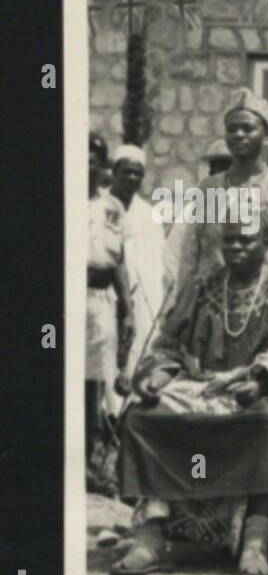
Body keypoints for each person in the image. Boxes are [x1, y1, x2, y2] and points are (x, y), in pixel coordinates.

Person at [113, 218, 268, 575]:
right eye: (229, 241)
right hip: (199, 387)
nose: (235, 248)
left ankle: (256, 539)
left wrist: (262, 382)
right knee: (142, 417)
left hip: (253, 391)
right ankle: (151, 535)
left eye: (245, 241)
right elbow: (167, 344)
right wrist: (158, 375)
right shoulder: (200, 288)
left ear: (265, 243)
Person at [164, 87, 268, 291]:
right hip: (212, 304)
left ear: (266, 133)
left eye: (247, 128)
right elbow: (190, 255)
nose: (238, 134)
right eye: (232, 128)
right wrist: (183, 304)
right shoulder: (208, 189)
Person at [86, 149, 132, 490]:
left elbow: (119, 261)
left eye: (95, 158)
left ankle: (89, 459)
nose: (88, 163)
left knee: (95, 380)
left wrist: (127, 308)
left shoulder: (111, 208)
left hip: (100, 297)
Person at [106, 146, 167, 398]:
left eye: (137, 174)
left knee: (134, 353)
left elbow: (156, 263)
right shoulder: (100, 205)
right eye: (127, 172)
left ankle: (123, 413)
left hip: (139, 298)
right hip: (105, 293)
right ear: (114, 172)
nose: (132, 178)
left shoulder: (148, 215)